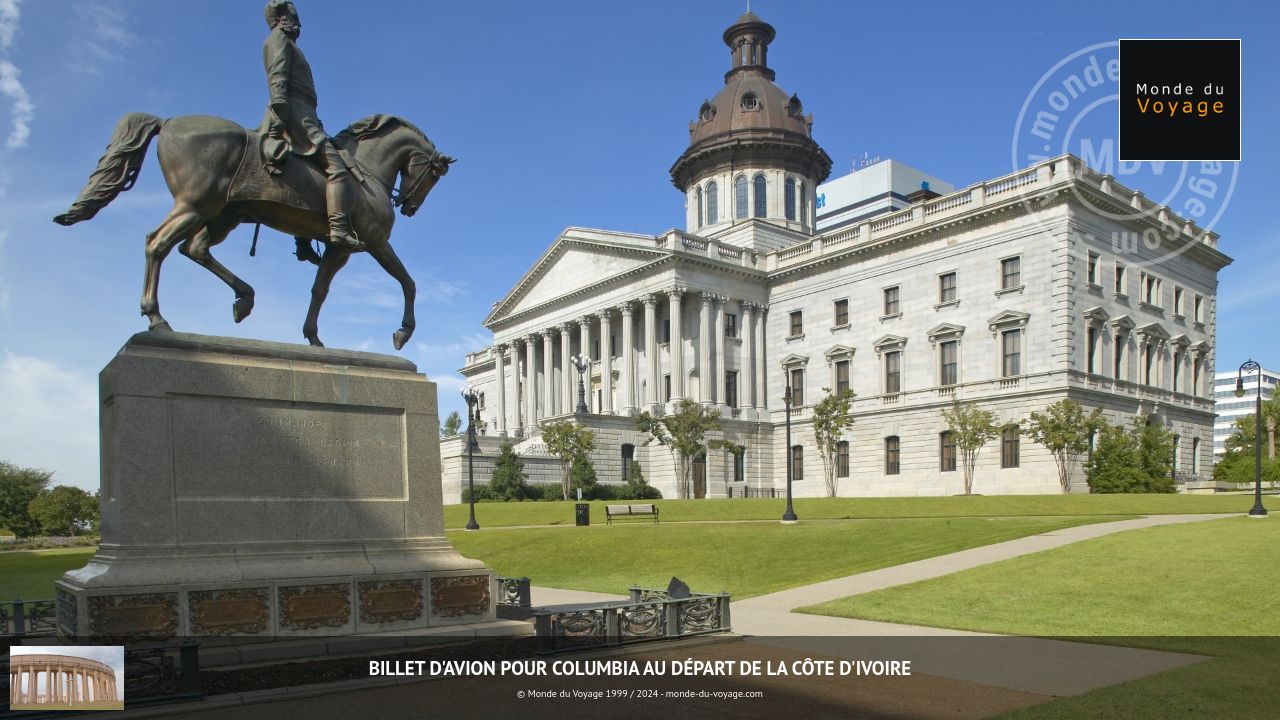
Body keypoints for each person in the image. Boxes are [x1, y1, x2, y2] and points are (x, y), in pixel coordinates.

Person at [262, 0, 362, 260]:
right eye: (293, 15)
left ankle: (303, 243)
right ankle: (339, 229)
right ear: (280, 18)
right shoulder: (279, 39)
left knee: (307, 177)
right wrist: (280, 122)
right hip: (295, 114)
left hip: (304, 115)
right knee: (337, 170)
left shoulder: (290, 44)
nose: (298, 22)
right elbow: (278, 81)